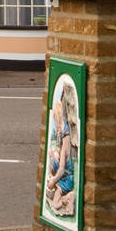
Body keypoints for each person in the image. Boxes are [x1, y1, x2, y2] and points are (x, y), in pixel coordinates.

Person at [45, 84, 77, 218]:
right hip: (64, 176)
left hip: (66, 178)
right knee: (52, 156)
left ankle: (68, 198)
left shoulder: (65, 140)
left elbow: (62, 168)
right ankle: (66, 198)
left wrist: (54, 181)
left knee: (56, 200)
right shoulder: (63, 137)